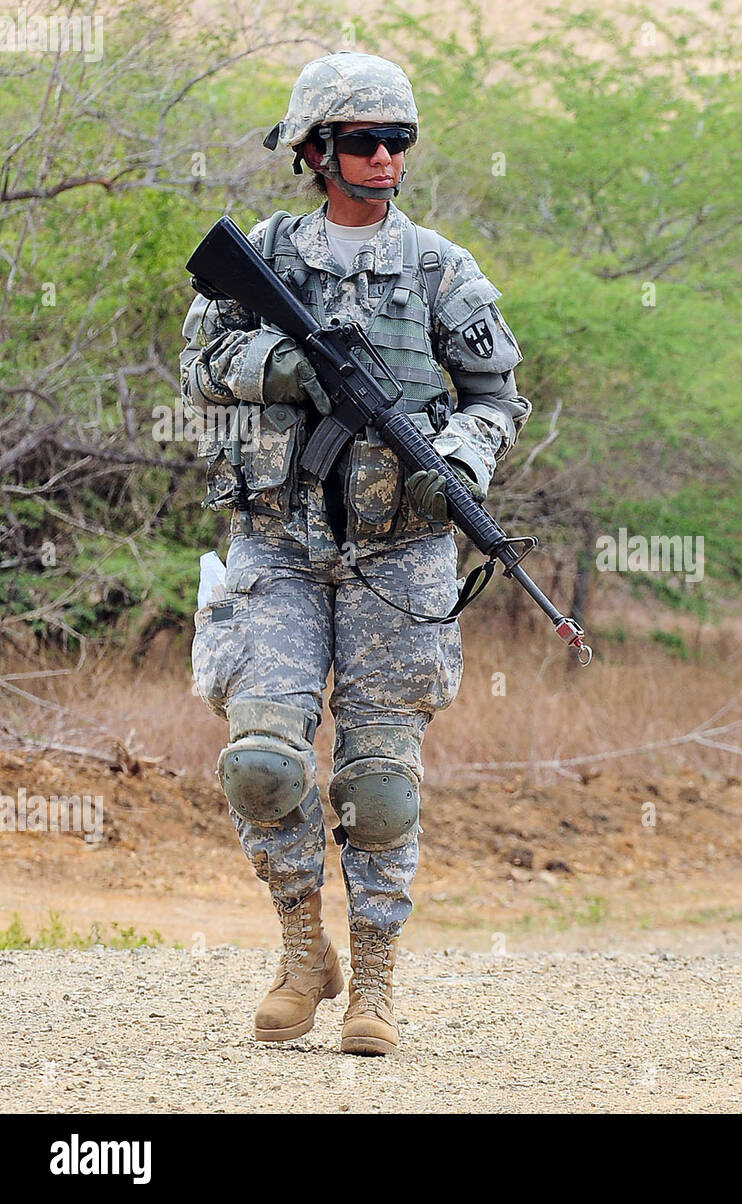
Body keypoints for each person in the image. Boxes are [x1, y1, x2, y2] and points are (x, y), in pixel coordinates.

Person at [179, 51, 531, 1055]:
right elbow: (200, 361)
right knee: (257, 763)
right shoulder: (269, 258)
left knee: (378, 782)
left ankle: (373, 978)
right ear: (316, 150)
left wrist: (454, 466)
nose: (384, 157)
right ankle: (302, 949)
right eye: (364, 140)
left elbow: (495, 400)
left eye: (399, 140)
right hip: (275, 542)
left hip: (402, 555)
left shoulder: (441, 271)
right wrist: (281, 364)